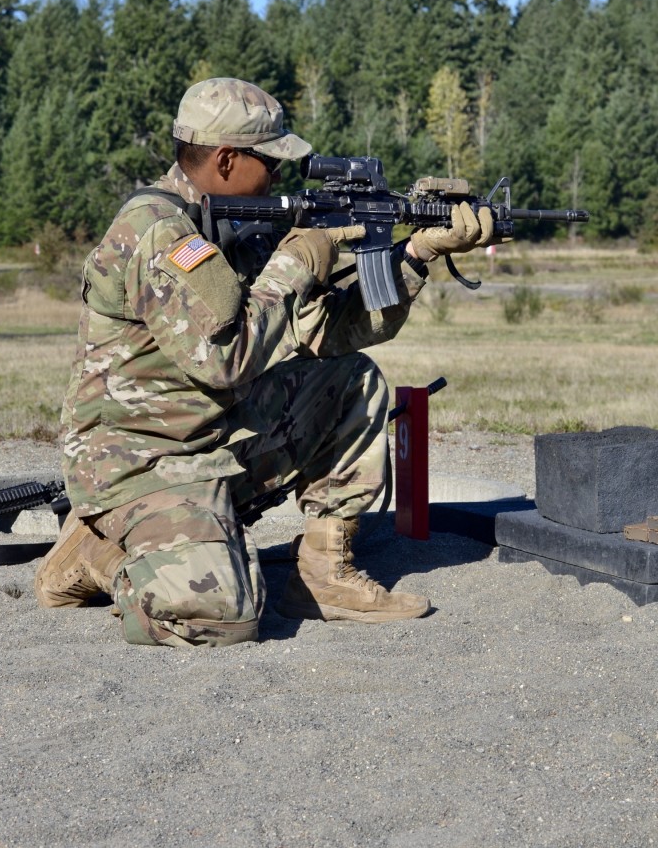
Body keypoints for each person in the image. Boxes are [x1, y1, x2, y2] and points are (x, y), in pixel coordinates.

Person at [35, 77, 494, 647]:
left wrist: (417, 255)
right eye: (269, 161)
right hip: (138, 460)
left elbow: (333, 332)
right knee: (220, 615)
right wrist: (301, 255)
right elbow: (224, 360)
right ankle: (100, 554)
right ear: (226, 160)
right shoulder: (156, 233)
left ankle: (325, 573)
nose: (278, 176)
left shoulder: (238, 227)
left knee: (351, 382)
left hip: (213, 439)